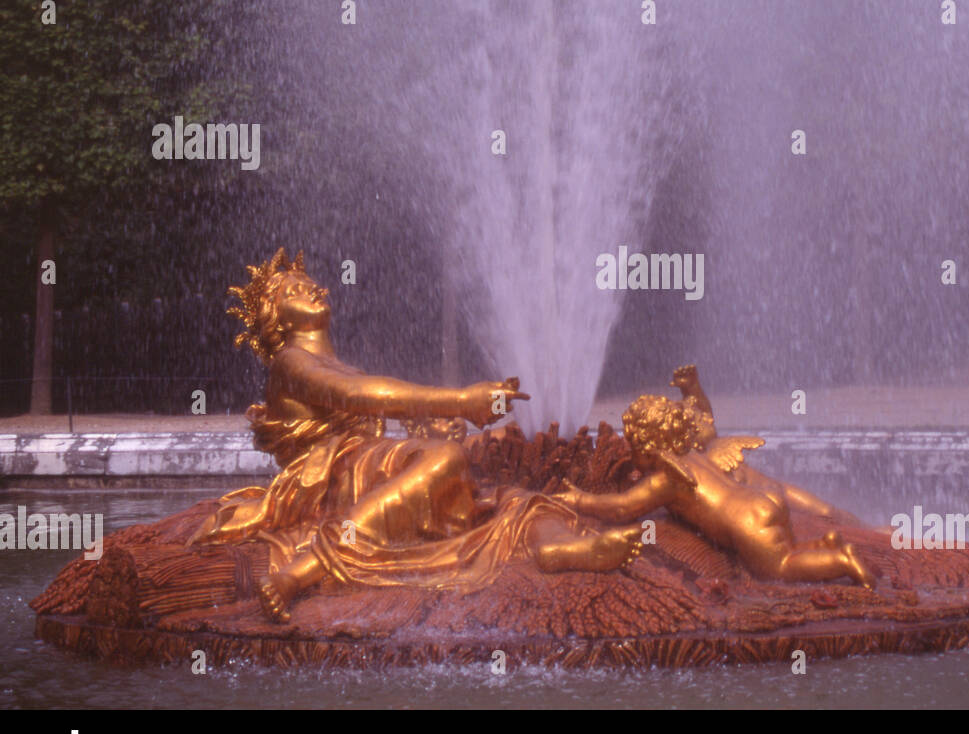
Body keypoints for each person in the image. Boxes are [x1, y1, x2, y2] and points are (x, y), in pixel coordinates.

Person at [189, 249, 640, 622]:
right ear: (275, 319)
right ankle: (300, 572)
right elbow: (362, 396)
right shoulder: (290, 361)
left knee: (508, 500)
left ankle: (555, 546)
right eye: (290, 290)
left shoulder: (331, 361)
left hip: (365, 463)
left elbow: (369, 395)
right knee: (445, 461)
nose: (309, 287)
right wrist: (461, 402)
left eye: (308, 282)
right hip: (328, 479)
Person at [556, 364, 875, 588]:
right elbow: (705, 419)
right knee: (786, 548)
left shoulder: (667, 478)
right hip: (763, 502)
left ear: (648, 446)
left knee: (779, 567)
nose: (631, 454)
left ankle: (842, 562)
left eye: (633, 446)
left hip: (746, 522)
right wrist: (692, 390)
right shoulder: (694, 454)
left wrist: (579, 499)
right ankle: (825, 543)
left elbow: (624, 508)